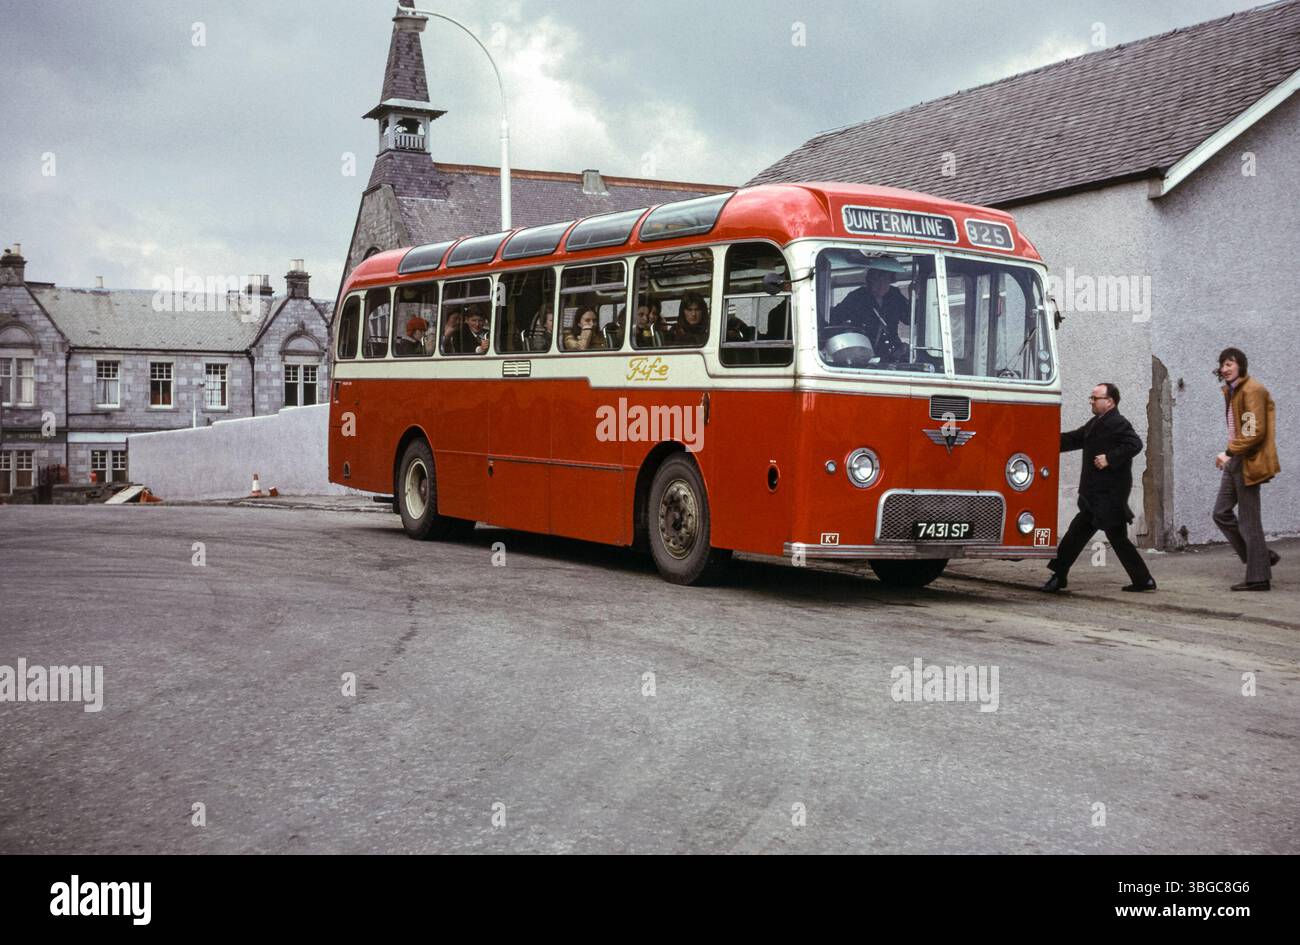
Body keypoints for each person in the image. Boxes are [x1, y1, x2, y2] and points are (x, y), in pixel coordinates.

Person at [1041, 382, 1157, 593]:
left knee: (1081, 536)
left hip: (1109, 497)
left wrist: (1109, 458)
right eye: (1091, 398)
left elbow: (1135, 444)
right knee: (1093, 537)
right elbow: (1073, 439)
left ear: (1110, 402)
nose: (1091, 402)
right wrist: (1044, 440)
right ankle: (1143, 580)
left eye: (1095, 398)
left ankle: (1059, 577)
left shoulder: (1118, 423)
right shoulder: (1096, 423)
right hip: (1095, 497)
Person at [1212, 347, 1281, 591]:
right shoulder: (1233, 391)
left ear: (1241, 364)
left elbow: (1253, 432)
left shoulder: (1252, 390)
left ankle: (1258, 578)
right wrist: (1230, 454)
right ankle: (1261, 557)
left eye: (1230, 363)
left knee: (1250, 521)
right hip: (1236, 459)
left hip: (1247, 460)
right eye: (1222, 364)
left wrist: (1229, 452)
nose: (1225, 368)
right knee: (1221, 513)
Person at [828, 266, 907, 359]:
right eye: (877, 280)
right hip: (864, 352)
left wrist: (915, 296)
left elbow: (909, 319)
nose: (881, 285)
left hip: (893, 353)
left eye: (886, 280)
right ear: (869, 281)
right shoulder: (856, 297)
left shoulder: (895, 295)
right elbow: (834, 318)